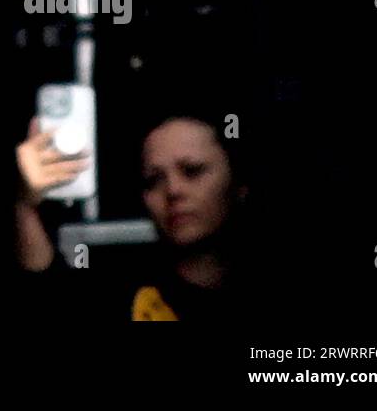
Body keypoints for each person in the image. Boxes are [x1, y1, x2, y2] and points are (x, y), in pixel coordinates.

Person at [15, 109, 257, 322]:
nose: (173, 190)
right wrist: (26, 205)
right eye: (153, 180)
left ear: (239, 185)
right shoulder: (125, 296)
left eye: (192, 171)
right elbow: (45, 297)